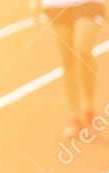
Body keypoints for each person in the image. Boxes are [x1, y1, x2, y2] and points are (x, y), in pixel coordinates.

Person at [33, 0, 105, 139]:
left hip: (89, 3)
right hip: (57, 4)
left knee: (83, 51)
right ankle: (75, 117)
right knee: (68, 60)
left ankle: (89, 110)